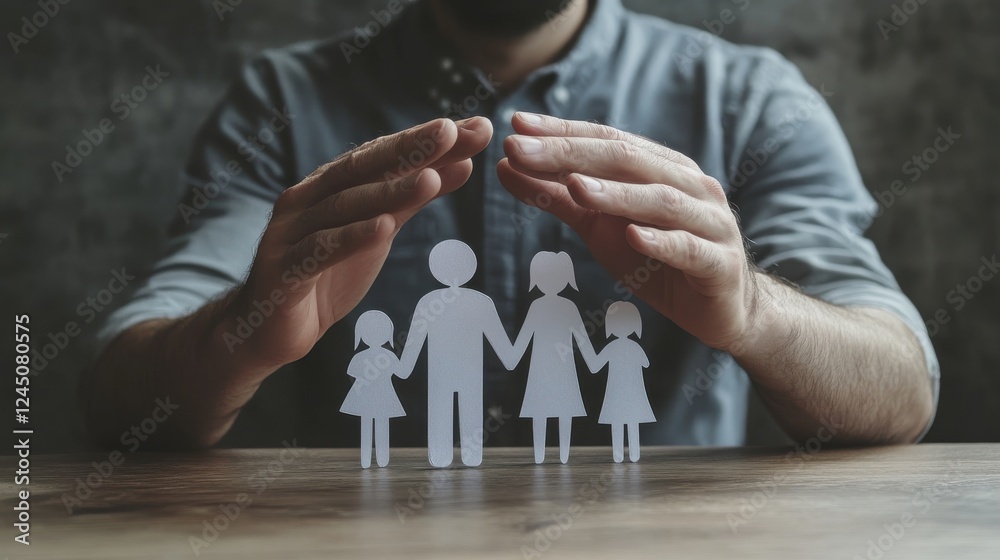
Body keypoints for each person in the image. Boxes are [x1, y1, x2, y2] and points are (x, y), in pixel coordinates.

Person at [82, 0, 939, 451]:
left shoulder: (752, 101)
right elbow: (121, 404)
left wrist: (751, 312)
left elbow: (901, 387)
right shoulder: (281, 102)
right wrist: (244, 332)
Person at [398, 240, 515, 467]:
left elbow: (412, 348)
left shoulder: (428, 302)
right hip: (469, 374)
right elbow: (504, 349)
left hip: (440, 375)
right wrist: (516, 353)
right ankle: (470, 457)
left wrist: (401, 368)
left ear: (435, 268)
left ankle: (442, 457)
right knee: (470, 412)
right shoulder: (481, 302)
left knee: (440, 412)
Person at [509, 251, 599, 464]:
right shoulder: (560, 306)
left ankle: (550, 456)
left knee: (551, 409)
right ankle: (551, 455)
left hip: (552, 366)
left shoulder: (546, 306)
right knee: (554, 409)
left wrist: (511, 356)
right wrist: (594, 361)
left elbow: (580, 336)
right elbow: (582, 339)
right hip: (553, 366)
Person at [340, 310, 407, 468]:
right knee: (377, 424)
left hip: (365, 395)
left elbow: (352, 372)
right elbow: (401, 372)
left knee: (370, 425)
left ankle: (370, 460)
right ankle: (377, 460)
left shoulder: (360, 356)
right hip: (379, 395)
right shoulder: (389, 356)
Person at [591, 301, 654, 463]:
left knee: (618, 422)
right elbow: (645, 364)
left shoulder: (612, 347)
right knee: (630, 422)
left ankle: (622, 456)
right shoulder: (635, 347)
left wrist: (585, 346)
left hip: (617, 393)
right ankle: (631, 454)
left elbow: (595, 365)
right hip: (630, 394)